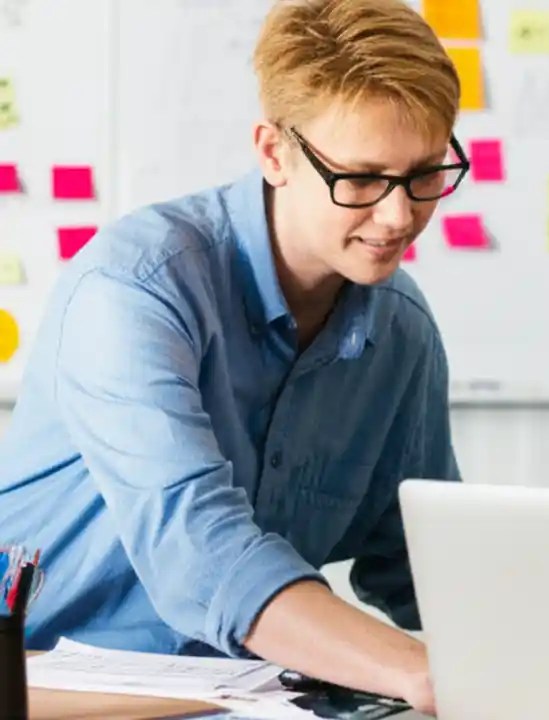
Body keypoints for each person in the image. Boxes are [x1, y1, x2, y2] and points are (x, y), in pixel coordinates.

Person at [0, 0, 464, 712]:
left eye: (425, 174)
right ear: (274, 153)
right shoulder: (134, 288)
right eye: (363, 179)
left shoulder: (400, 331)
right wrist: (414, 671)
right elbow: (200, 552)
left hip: (233, 697)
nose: (400, 215)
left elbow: (417, 566)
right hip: (45, 686)